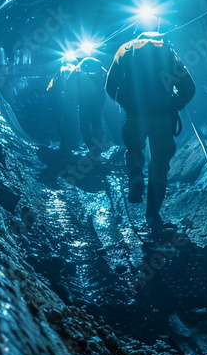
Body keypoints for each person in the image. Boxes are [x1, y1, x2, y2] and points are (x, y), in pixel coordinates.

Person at [106, 31, 196, 236]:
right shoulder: (167, 50)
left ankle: (136, 179)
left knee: (135, 148)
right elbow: (189, 87)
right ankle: (153, 216)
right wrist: (176, 102)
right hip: (163, 117)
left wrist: (127, 103)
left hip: (136, 116)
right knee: (160, 166)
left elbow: (110, 86)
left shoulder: (126, 50)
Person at [67, 56, 108, 159]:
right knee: (97, 124)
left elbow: (69, 85)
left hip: (84, 103)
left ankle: (93, 148)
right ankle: (98, 149)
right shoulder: (101, 69)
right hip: (97, 102)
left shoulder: (78, 69)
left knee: (85, 126)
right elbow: (107, 81)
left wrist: (73, 100)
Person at [46, 62, 79, 151]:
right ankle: (67, 142)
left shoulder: (73, 79)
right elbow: (50, 91)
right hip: (60, 105)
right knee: (63, 123)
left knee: (70, 123)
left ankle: (70, 143)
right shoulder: (57, 79)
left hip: (68, 105)